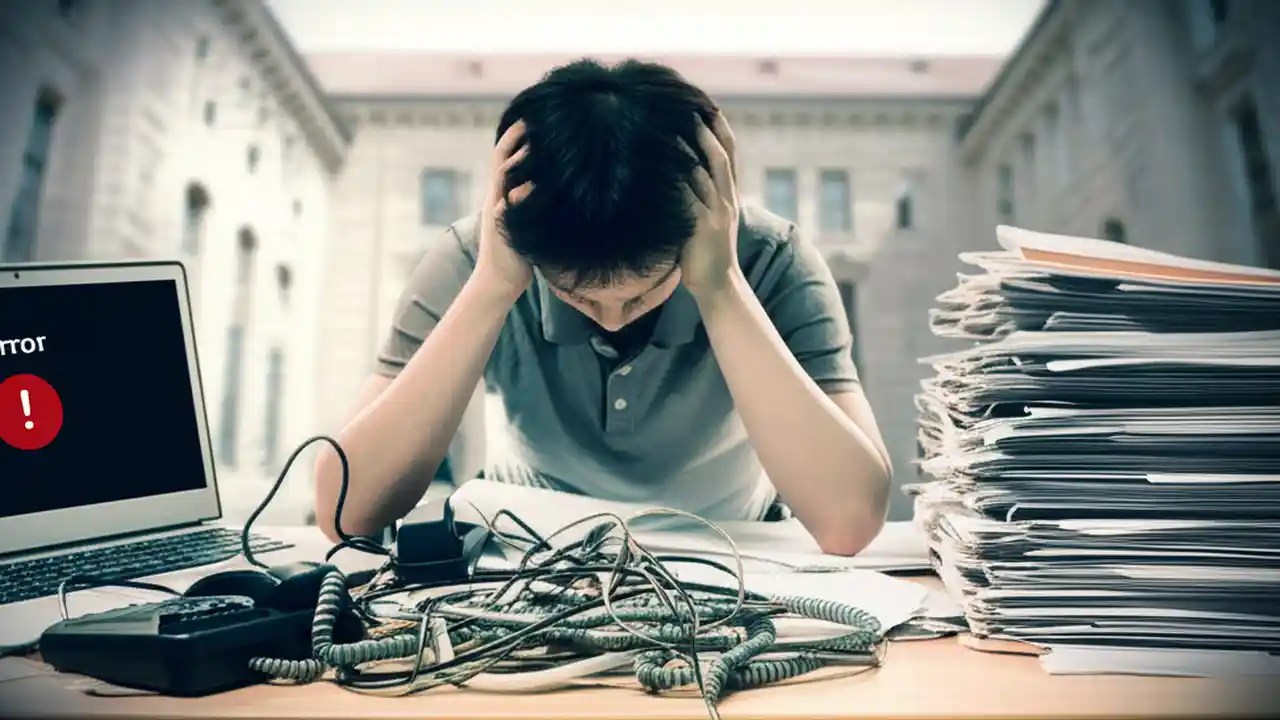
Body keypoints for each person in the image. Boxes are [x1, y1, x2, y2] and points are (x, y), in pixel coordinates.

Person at [314, 58, 892, 556]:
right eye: (578, 295)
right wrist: (492, 285)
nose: (613, 318)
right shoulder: (476, 259)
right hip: (527, 553)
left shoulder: (774, 260)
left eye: (642, 292)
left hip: (740, 547)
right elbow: (345, 513)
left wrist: (720, 288)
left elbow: (849, 522)